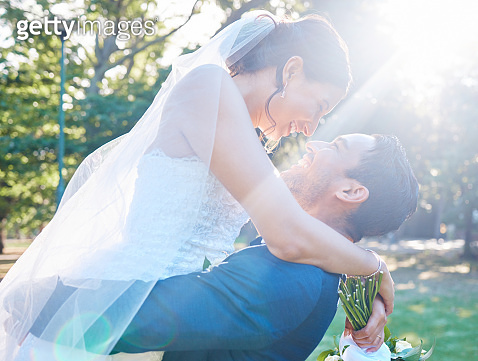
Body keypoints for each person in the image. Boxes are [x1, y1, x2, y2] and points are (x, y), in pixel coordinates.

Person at [1, 10, 396, 360]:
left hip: (159, 324)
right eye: (320, 107)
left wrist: (359, 272)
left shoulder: (241, 130)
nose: (310, 129)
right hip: (110, 309)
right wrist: (372, 267)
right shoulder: (209, 88)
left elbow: (299, 225)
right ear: (291, 71)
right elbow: (287, 233)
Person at [9, 134, 418, 361]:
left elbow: (127, 320)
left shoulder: (289, 279)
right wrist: (372, 265)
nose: (314, 143)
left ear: (351, 191)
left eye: (336, 147)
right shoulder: (307, 266)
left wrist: (23, 299)